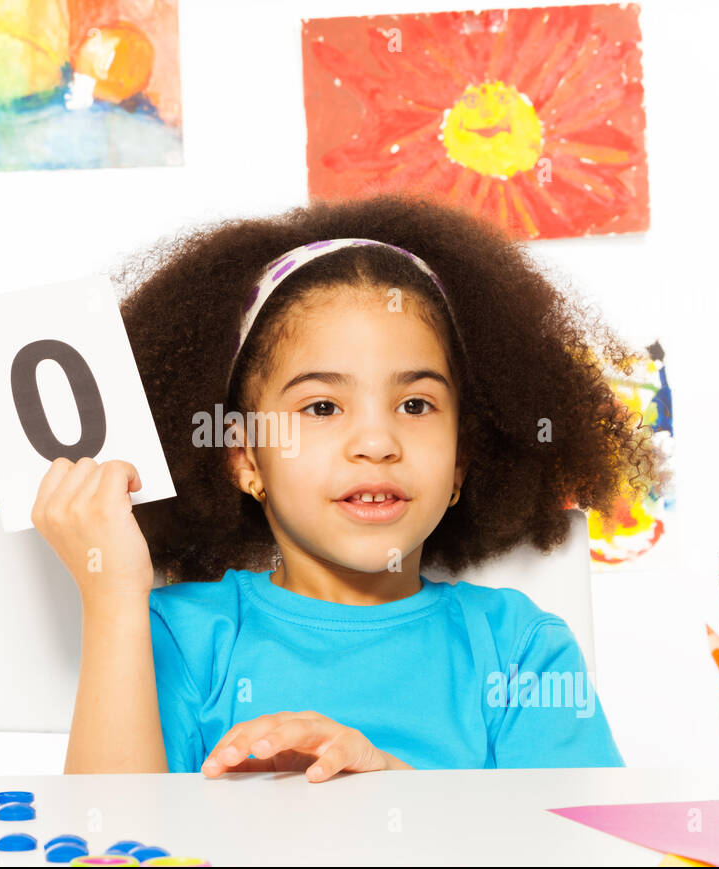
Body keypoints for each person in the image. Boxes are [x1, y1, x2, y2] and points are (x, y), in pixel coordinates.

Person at [33, 193, 669, 778]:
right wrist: (111, 592)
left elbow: (576, 849)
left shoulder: (521, 652)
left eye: (415, 406)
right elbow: (107, 843)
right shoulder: (178, 639)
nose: (377, 441)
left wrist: (392, 790)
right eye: (321, 408)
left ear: (461, 462)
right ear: (244, 458)